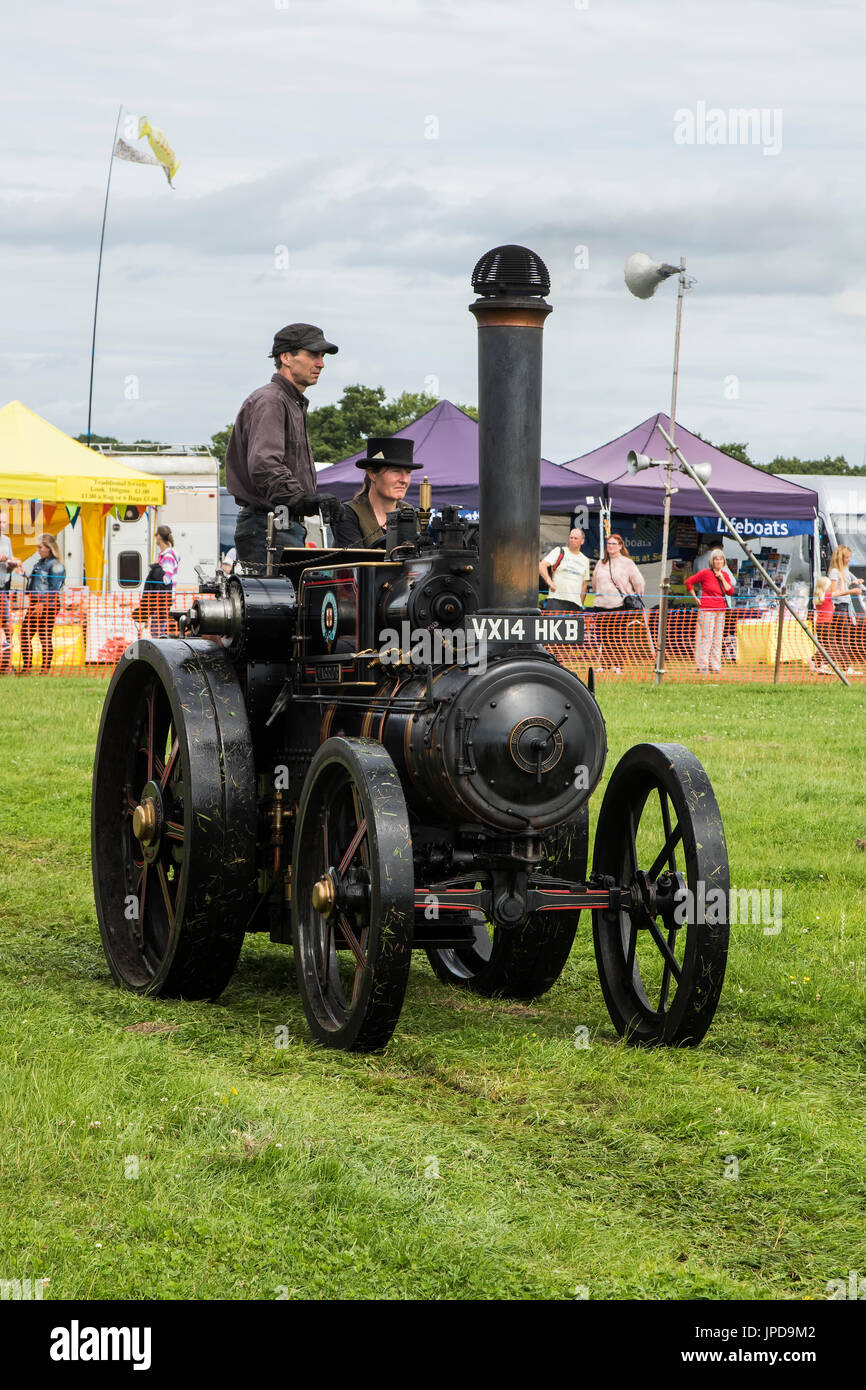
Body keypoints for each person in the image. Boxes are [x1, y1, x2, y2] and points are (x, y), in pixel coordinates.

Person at [226, 323, 345, 567]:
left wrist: (307, 501)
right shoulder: (272, 400)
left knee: (290, 601)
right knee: (278, 603)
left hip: (278, 524)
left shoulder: (289, 402)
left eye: (322, 356)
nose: (321, 363)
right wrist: (304, 499)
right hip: (267, 526)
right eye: (313, 354)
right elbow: (264, 465)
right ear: (286, 357)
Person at [331, 437, 421, 548]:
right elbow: (355, 563)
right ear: (373, 474)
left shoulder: (411, 513)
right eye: (396, 471)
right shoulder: (348, 514)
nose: (404, 480)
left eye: (408, 473)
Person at [590, 533, 645, 673]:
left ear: (620, 546)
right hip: (601, 604)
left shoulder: (627, 562)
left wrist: (634, 596)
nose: (611, 546)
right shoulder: (601, 562)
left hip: (618, 605)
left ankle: (618, 665)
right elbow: (594, 583)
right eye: (609, 544)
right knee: (604, 636)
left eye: (614, 544)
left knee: (618, 636)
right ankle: (604, 664)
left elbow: (639, 582)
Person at [685, 547, 735, 674]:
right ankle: (702, 665)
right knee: (706, 637)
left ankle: (716, 666)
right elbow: (689, 582)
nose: (718, 562)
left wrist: (722, 578)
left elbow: (730, 591)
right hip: (707, 609)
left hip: (721, 610)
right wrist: (695, 598)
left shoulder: (725, 575)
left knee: (718, 638)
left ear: (724, 562)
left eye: (720, 559)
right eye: (716, 559)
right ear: (712, 561)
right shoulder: (705, 573)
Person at [19, 534, 65, 674]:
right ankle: (27, 667)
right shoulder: (40, 563)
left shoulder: (56, 565)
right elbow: (39, 582)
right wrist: (25, 575)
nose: (38, 550)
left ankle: (45, 669)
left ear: (49, 548)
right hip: (35, 603)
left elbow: (55, 587)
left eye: (40, 547)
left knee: (44, 635)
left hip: (48, 605)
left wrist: (43, 603)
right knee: (25, 634)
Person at [827, 545, 863, 676]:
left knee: (843, 639)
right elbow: (834, 593)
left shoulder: (844, 571)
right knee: (842, 639)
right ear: (840, 558)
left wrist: (854, 583)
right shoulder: (834, 572)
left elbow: (842, 588)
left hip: (846, 607)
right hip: (839, 608)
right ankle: (845, 667)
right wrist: (851, 591)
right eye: (847, 557)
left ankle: (845, 666)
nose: (849, 560)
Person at [539, 527, 590, 612]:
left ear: (582, 541)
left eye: (576, 538)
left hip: (575, 604)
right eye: (571, 537)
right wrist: (549, 582)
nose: (573, 540)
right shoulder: (559, 551)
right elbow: (542, 565)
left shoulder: (585, 560)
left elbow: (584, 584)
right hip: (556, 600)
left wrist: (580, 604)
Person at [0, 508, 22, 651]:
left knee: (7, 622)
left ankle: (7, 658)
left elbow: (8, 564)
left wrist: (13, 565)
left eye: (4, 522)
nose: (1, 525)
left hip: (3, 588)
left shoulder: (7, 540)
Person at [810, 575, 834, 674]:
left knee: (824, 645)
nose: (830, 588)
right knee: (830, 646)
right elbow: (841, 592)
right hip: (826, 624)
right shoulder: (827, 596)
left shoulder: (818, 597)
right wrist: (852, 591)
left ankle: (818, 664)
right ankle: (818, 661)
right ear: (824, 587)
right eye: (829, 586)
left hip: (820, 624)